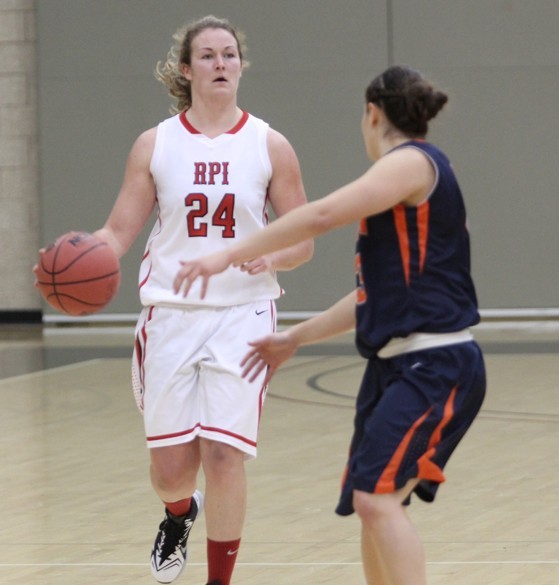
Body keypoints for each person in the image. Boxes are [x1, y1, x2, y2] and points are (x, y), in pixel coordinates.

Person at [174, 65, 486, 585]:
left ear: (372, 114)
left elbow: (320, 217)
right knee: (371, 501)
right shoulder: (405, 188)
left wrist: (225, 254)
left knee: (376, 500)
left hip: (434, 363)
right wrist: (295, 338)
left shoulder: (412, 163)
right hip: (397, 365)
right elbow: (370, 299)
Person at [88, 15, 313, 585]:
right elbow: (117, 232)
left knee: (223, 455)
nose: (220, 64)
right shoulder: (155, 145)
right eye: (208, 56)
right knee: (172, 472)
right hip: (171, 313)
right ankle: (179, 513)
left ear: (241, 66)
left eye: (229, 54)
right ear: (186, 70)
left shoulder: (269, 145)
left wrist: (274, 258)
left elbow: (303, 240)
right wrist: (76, 255)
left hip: (244, 317)